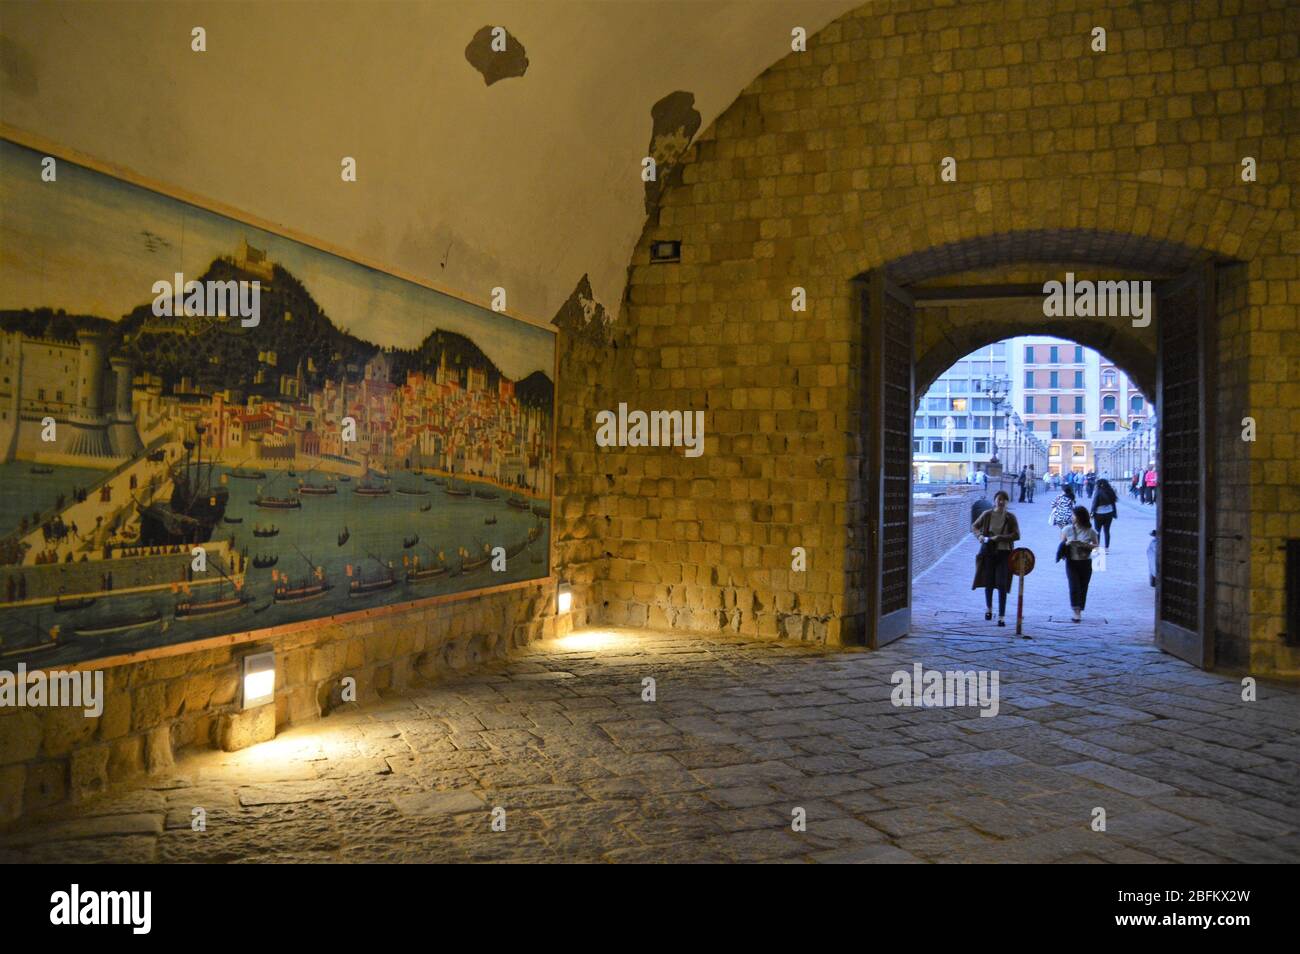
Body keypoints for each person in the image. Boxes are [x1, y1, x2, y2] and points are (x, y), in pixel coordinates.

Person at [971, 490, 1020, 627]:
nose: (1001, 501)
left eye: (1004, 499)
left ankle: (1002, 616)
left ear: (1007, 502)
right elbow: (974, 526)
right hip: (989, 552)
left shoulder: (1010, 517)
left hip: (1004, 553)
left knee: (1002, 584)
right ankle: (989, 608)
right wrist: (980, 536)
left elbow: (1017, 535)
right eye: (999, 499)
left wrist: (1001, 538)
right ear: (995, 500)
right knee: (989, 582)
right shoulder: (987, 514)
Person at [1061, 505, 1100, 622]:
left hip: (1086, 562)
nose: (1072, 517)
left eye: (1074, 515)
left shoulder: (1091, 531)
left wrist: (1084, 545)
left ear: (1080, 517)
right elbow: (1061, 545)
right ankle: (1076, 611)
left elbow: (1097, 546)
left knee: (1083, 587)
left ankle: (1080, 608)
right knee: (1074, 586)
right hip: (1071, 562)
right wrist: (1068, 543)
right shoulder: (1067, 529)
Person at [1091, 477, 1119, 549]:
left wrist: (1091, 512)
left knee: (1097, 531)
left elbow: (1094, 503)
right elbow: (1113, 503)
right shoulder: (1110, 491)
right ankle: (1106, 548)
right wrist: (1114, 513)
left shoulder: (1098, 491)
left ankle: (1097, 547)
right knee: (1107, 531)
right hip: (1109, 513)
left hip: (1098, 514)